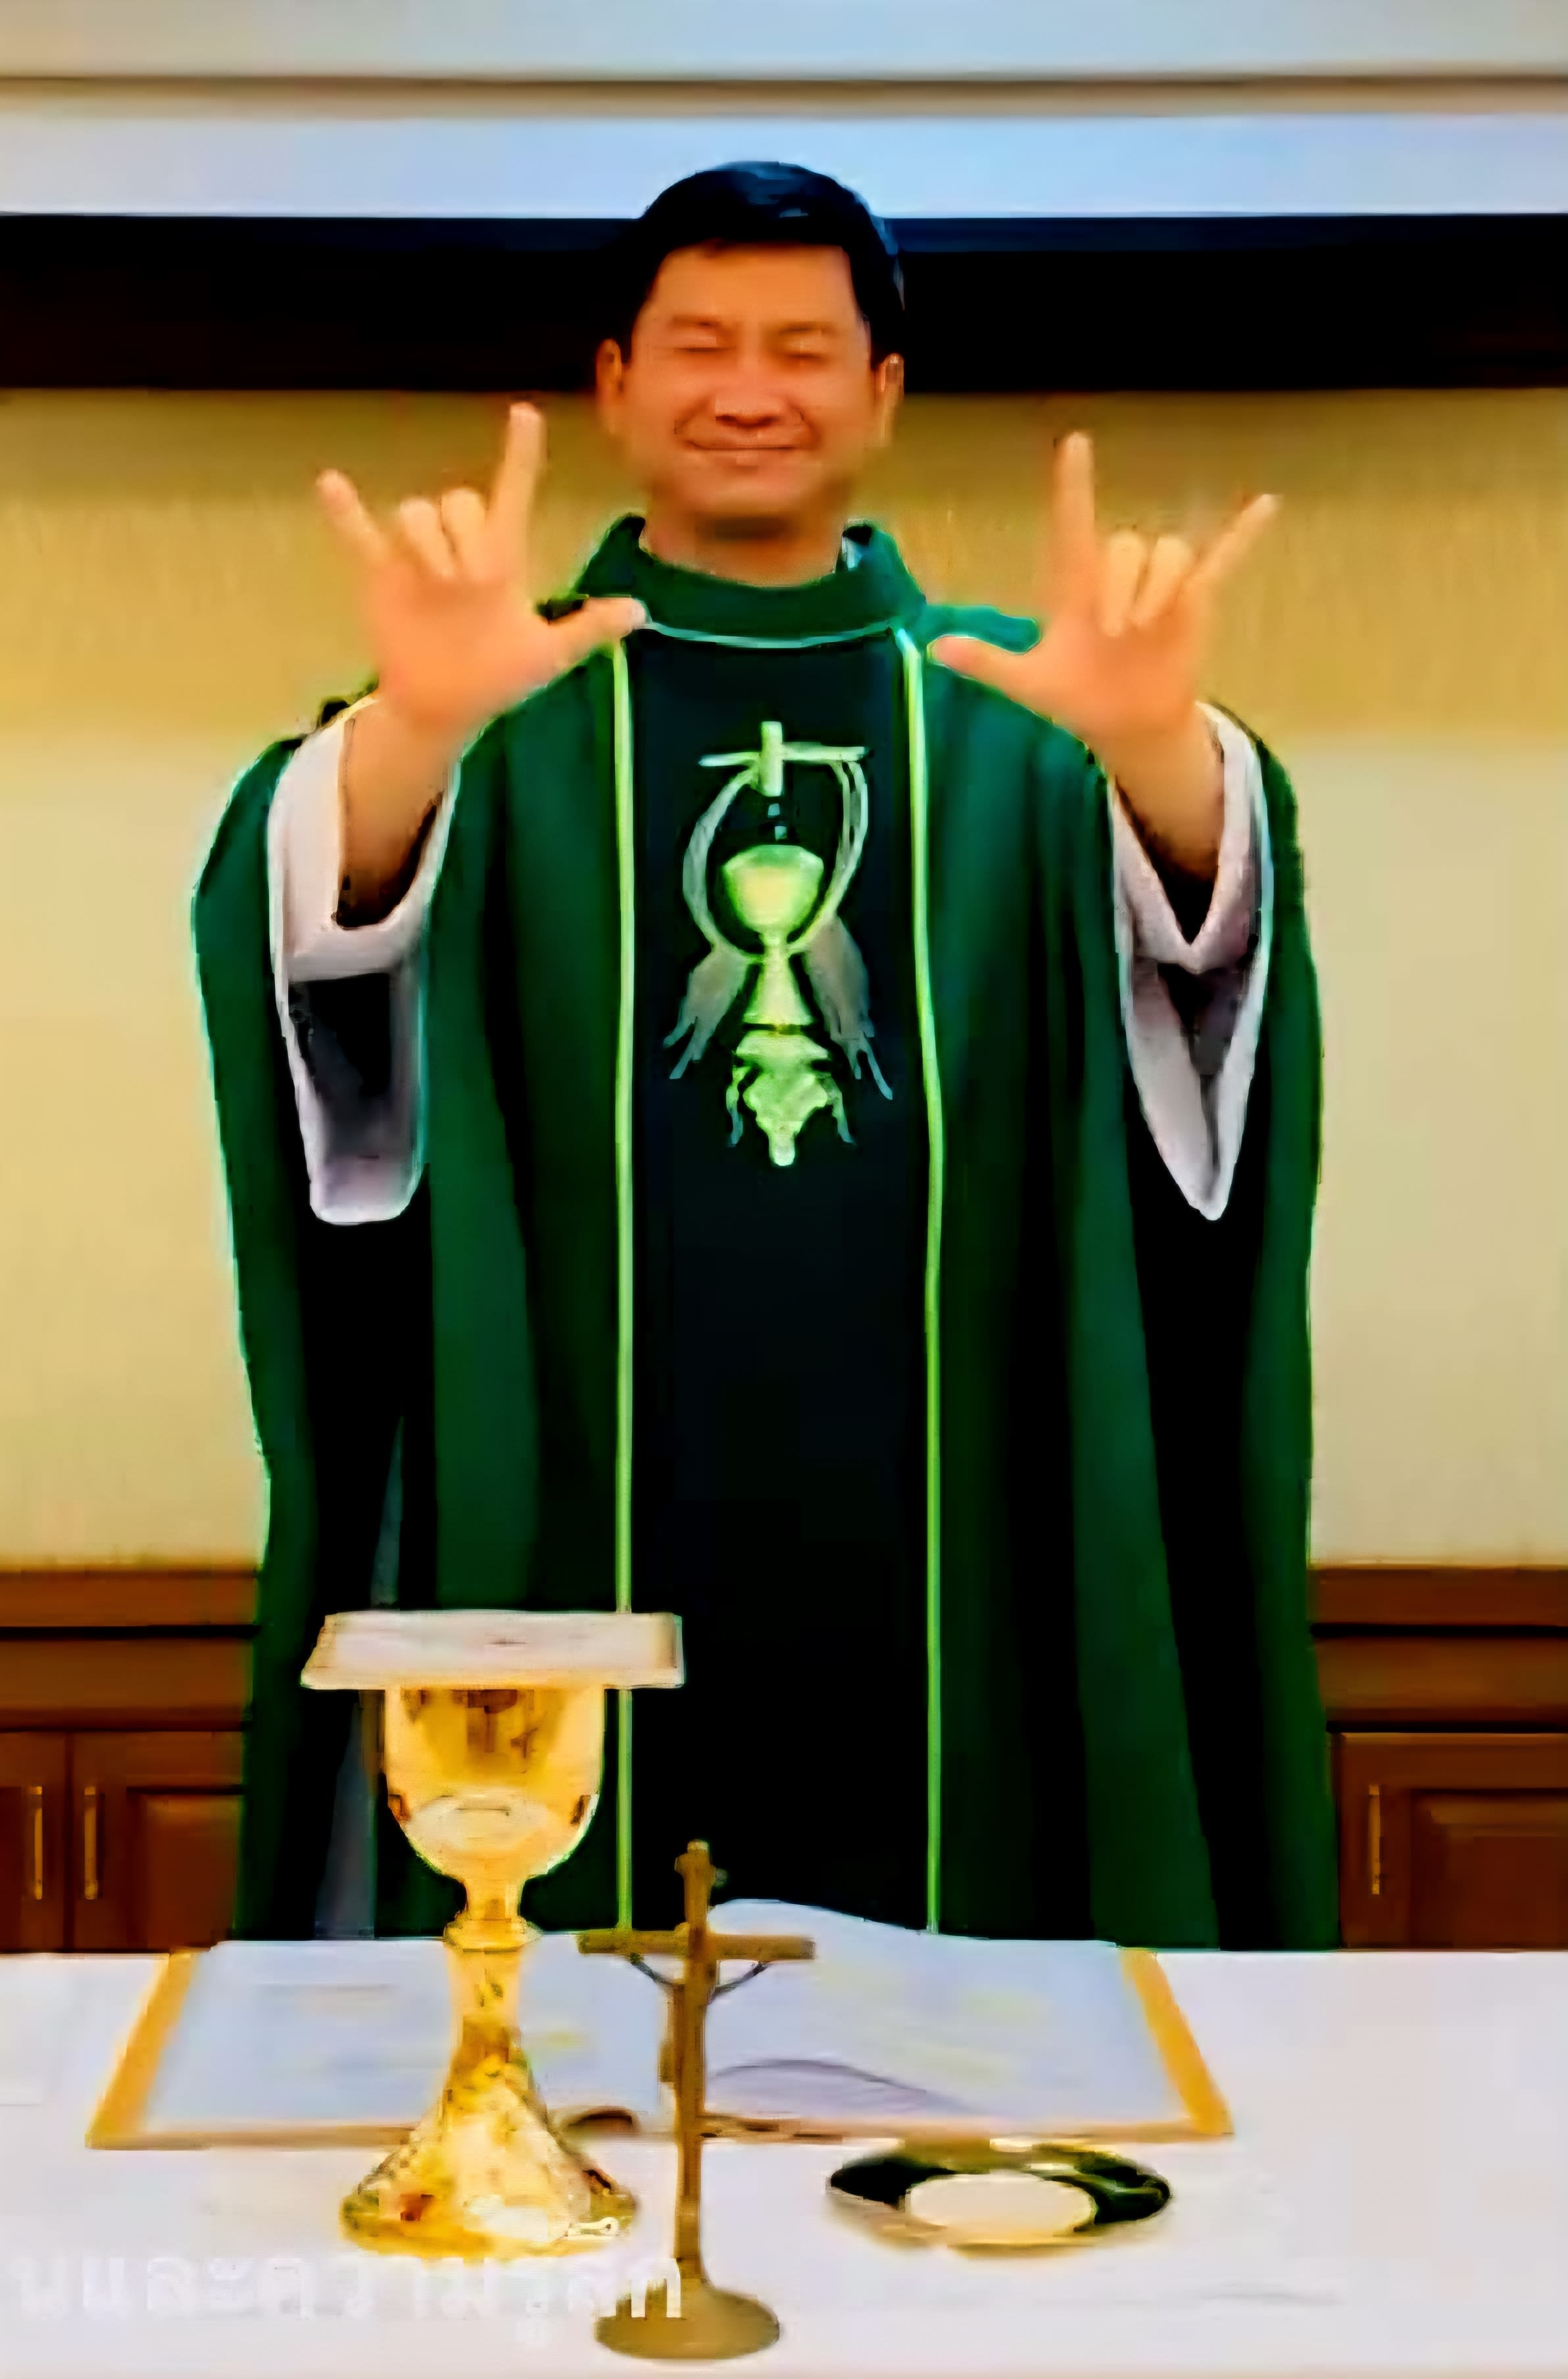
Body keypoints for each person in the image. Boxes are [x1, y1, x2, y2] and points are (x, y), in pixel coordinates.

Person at [196, 162, 1336, 1949]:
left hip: (959, 1518)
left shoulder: (1022, 718)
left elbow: (1202, 1008)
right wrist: (408, 737)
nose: (751, 388)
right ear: (614, 384)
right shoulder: (496, 713)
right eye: (700, 344)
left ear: (883, 392)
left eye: (805, 349)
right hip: (570, 1479)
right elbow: (329, 982)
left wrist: (1176, 772)